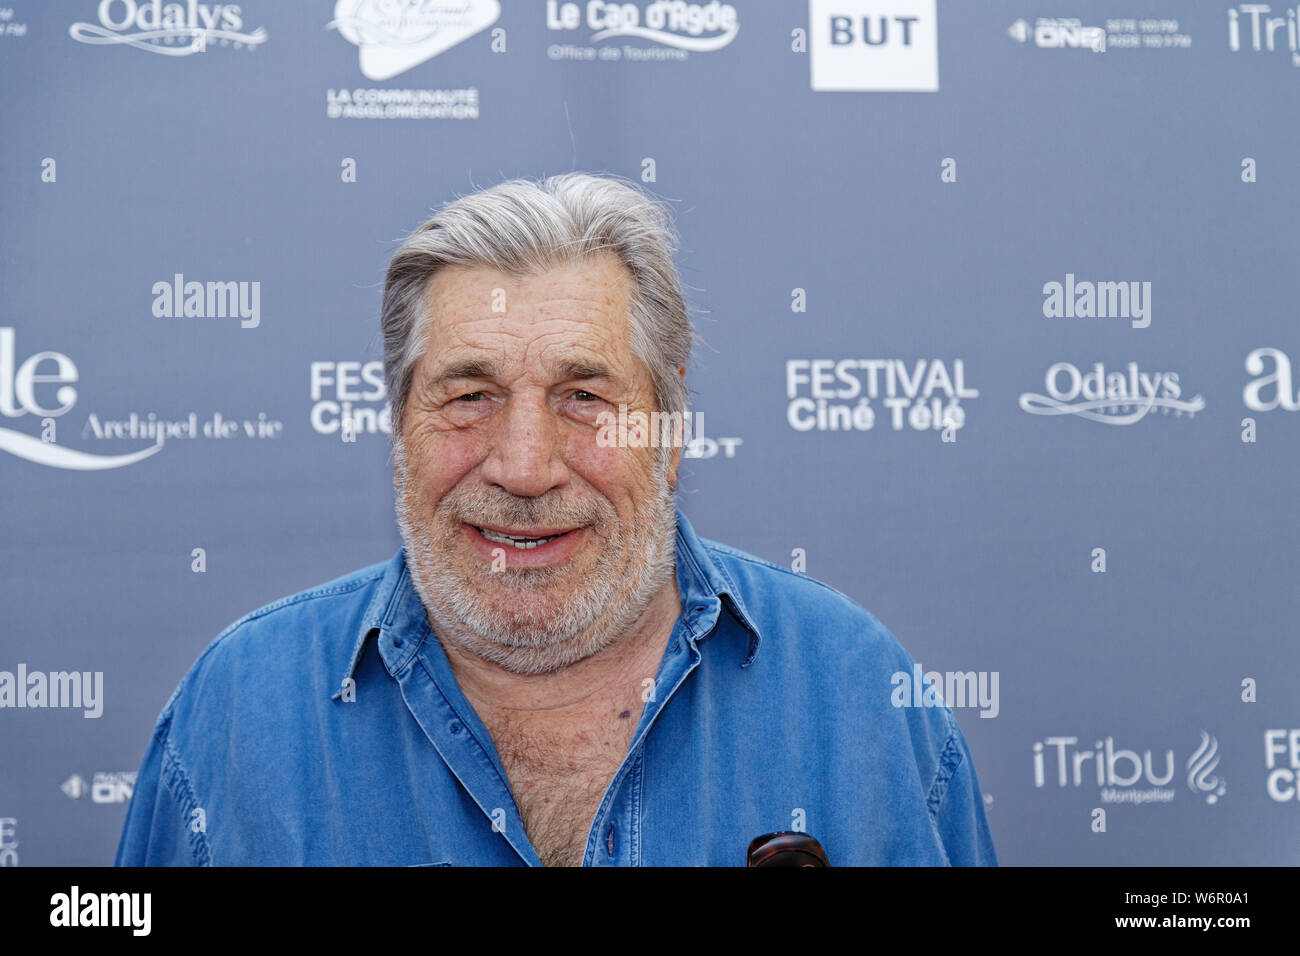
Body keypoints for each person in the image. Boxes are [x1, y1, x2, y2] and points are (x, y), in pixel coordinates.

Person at [115, 173, 997, 867]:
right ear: (398, 426)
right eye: (469, 397)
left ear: (669, 423)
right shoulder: (239, 713)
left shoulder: (858, 696)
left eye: (583, 396)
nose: (524, 467)